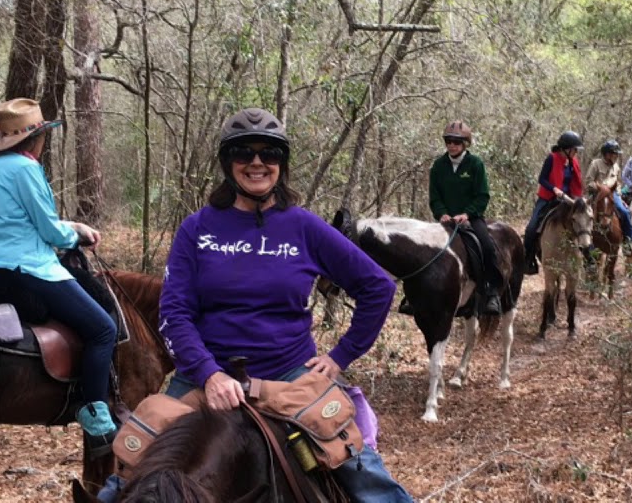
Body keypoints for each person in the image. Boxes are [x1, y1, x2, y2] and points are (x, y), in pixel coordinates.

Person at [158, 107, 412, 502]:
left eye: (270, 153)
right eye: (244, 152)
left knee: (360, 472)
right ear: (228, 163)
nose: (257, 163)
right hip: (204, 375)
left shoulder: (303, 226)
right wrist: (209, 374)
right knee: (133, 454)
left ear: (282, 164)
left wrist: (341, 355)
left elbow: (377, 286)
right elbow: (174, 312)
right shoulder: (196, 229)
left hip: (290, 373)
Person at [0, 98, 117, 456]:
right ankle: (98, 420)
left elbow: (16, 220)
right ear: (37, 139)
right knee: (103, 329)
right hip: (24, 264)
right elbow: (49, 232)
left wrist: (71, 225)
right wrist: (76, 235)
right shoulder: (26, 169)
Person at [429, 120, 501, 316]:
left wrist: (467, 213)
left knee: (486, 246)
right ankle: (414, 296)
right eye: (448, 141)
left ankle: (492, 290)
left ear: (465, 144)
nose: (452, 145)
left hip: (470, 218)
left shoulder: (475, 164)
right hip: (445, 220)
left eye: (456, 141)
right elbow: (434, 196)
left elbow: (482, 195)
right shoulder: (438, 166)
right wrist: (441, 213)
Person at [522, 130, 585, 274]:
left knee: (584, 220)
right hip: (549, 198)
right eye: (575, 149)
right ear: (567, 148)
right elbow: (542, 179)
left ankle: (588, 257)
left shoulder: (573, 161)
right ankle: (528, 259)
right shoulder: (552, 158)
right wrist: (554, 189)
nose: (576, 152)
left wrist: (578, 198)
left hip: (568, 199)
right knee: (531, 228)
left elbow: (576, 182)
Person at [584, 139, 632, 257]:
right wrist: (600, 188)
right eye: (614, 153)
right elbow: (588, 181)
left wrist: (619, 196)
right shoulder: (595, 164)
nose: (616, 156)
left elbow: (617, 184)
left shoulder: (616, 167)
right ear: (607, 154)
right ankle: (584, 244)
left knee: (625, 211)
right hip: (597, 193)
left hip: (612, 195)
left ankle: (628, 241)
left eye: (617, 154)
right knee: (585, 213)